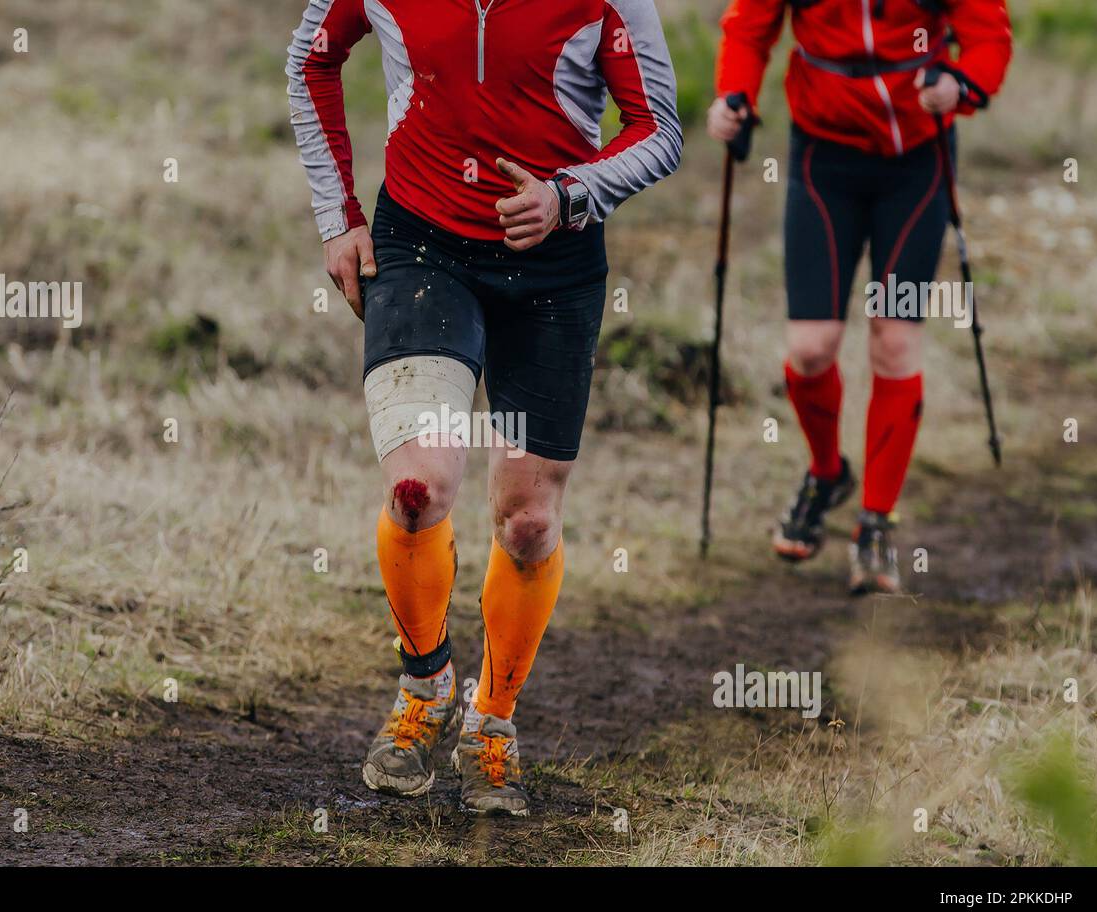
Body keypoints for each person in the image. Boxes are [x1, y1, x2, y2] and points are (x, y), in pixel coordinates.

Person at [286, 0, 681, 814]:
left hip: (556, 264)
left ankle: (492, 722)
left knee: (529, 523)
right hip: (422, 244)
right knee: (418, 486)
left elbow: (659, 129)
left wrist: (570, 194)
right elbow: (310, 60)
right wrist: (339, 219)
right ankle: (425, 686)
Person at [708, 0, 1011, 593]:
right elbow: (748, 28)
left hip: (916, 163)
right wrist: (732, 98)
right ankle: (826, 475)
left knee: (895, 340)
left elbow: (989, 39)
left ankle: (875, 524)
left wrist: (960, 84)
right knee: (811, 348)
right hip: (825, 160)